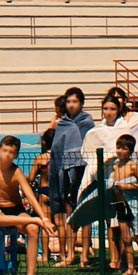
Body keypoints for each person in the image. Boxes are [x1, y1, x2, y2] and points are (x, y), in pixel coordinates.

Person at [0, 136, 54, 275]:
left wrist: (43, 218)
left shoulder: (17, 172)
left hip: (16, 209)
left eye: (11, 152)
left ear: (16, 155)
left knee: (33, 229)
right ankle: (31, 220)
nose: (7, 155)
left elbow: (30, 196)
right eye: (5, 151)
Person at [49, 89, 96, 258]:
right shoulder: (62, 123)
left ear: (81, 103)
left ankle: (85, 254)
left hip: (84, 170)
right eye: (68, 101)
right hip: (65, 172)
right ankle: (70, 254)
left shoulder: (87, 122)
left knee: (85, 212)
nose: (71, 105)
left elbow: (90, 145)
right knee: (70, 213)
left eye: (74, 101)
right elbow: (56, 148)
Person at [105, 133, 138, 275]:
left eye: (124, 148)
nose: (120, 151)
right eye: (118, 147)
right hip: (120, 204)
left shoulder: (133, 166)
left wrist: (127, 186)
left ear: (130, 151)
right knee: (126, 238)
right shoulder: (116, 166)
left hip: (132, 204)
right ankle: (130, 267)